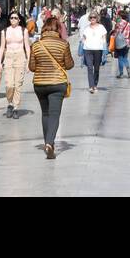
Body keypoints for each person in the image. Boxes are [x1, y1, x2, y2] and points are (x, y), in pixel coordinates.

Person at [27, 15, 74, 159]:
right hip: (57, 83)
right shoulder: (63, 44)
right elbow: (69, 64)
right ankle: (49, 143)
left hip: (40, 84)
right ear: (58, 29)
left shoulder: (36, 45)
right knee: (54, 114)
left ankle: (49, 143)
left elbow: (32, 67)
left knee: (45, 114)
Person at [0, 10, 31, 118]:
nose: (13, 20)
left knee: (18, 84)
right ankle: (10, 103)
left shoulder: (23, 31)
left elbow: (27, 47)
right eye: (11, 18)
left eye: (15, 18)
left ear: (19, 20)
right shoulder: (5, 31)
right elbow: (2, 47)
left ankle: (15, 107)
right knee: (9, 84)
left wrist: (28, 62)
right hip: (8, 57)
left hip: (20, 56)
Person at [80, 10, 107, 93]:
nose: (92, 19)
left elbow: (104, 39)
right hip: (87, 50)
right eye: (91, 17)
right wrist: (82, 48)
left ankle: (95, 84)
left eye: (94, 17)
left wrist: (105, 50)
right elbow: (83, 39)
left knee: (97, 68)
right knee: (89, 68)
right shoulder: (87, 28)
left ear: (97, 18)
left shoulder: (101, 27)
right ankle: (91, 86)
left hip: (98, 49)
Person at [112, 12, 130, 79]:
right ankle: (128, 70)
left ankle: (121, 73)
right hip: (127, 42)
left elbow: (115, 33)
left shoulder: (118, 24)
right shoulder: (128, 24)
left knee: (120, 58)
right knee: (125, 58)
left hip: (119, 42)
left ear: (120, 16)